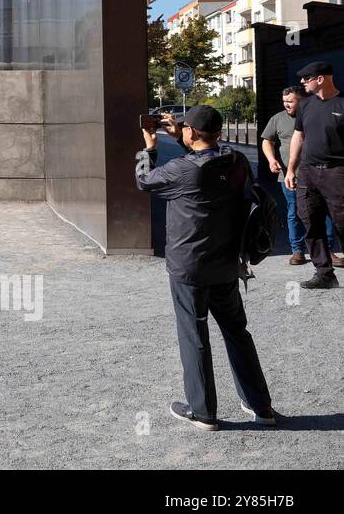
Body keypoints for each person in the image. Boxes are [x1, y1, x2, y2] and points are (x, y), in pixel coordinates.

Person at [137, 105, 277, 430]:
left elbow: (144, 181)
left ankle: (203, 412)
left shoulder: (183, 170)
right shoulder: (237, 161)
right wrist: (186, 136)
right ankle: (261, 406)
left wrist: (150, 146)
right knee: (237, 332)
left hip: (190, 268)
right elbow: (216, 158)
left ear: (192, 133)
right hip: (227, 263)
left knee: (194, 334)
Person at [261, 84, 343, 266]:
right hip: (290, 176)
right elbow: (267, 141)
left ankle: (329, 251)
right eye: (284, 102)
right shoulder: (278, 119)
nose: (286, 105)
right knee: (294, 212)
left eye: (290, 101)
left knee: (325, 213)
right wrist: (271, 159)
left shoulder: (316, 115)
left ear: (302, 100)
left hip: (320, 174)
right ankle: (297, 251)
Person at [285, 60, 344, 290]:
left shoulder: (342, 103)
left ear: (321, 79)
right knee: (309, 220)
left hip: (337, 172)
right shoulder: (306, 105)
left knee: (342, 222)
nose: (302, 82)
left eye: (306, 78)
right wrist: (291, 168)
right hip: (308, 172)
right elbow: (298, 136)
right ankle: (324, 273)